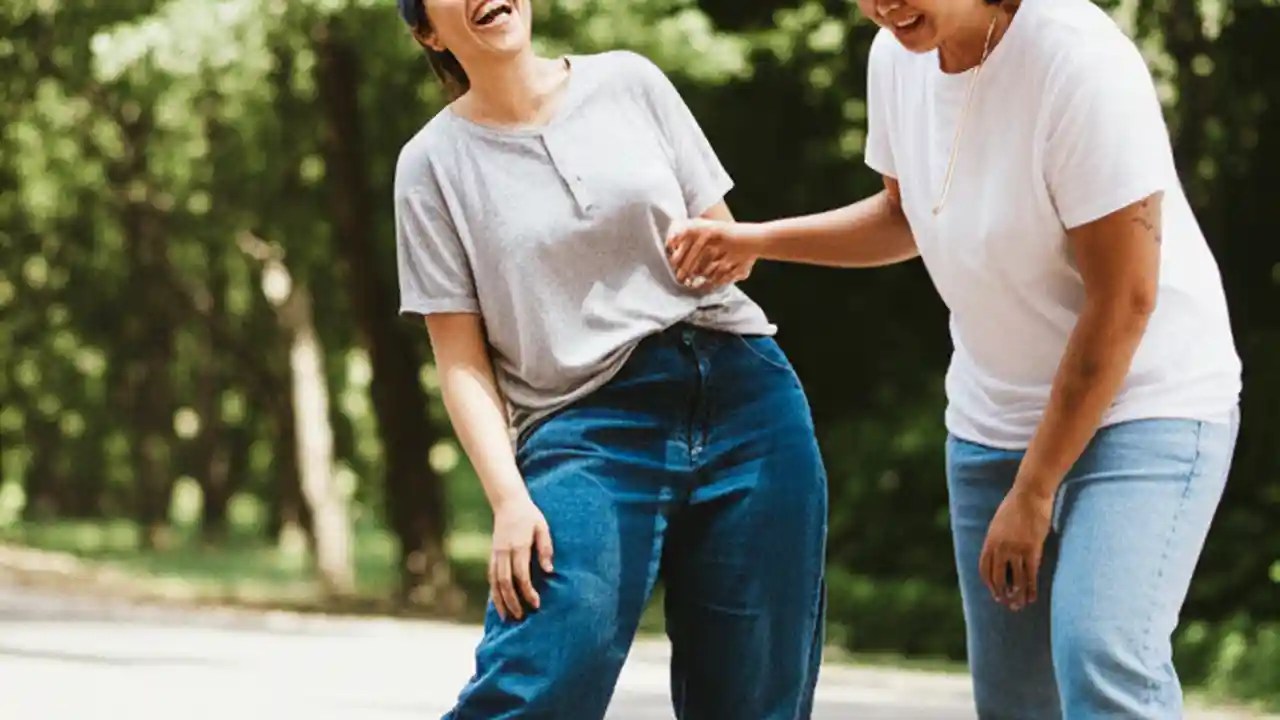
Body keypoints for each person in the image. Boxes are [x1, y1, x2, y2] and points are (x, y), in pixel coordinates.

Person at [666, 0, 1242, 716]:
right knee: (1015, 701)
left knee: (1103, 654)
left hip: (1144, 402)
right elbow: (906, 215)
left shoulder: (1078, 60)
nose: (883, 6)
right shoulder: (898, 57)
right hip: (992, 417)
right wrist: (757, 240)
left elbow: (1124, 300)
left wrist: (1033, 493)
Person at [390, 0, 828, 717]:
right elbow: (460, 360)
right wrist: (507, 497)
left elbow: (727, 244)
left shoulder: (630, 82)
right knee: (540, 681)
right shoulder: (432, 165)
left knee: (756, 699)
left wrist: (716, 248)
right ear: (429, 32)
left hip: (746, 395)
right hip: (586, 424)